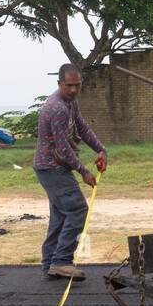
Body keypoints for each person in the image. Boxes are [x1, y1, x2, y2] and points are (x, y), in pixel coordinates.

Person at [34, 65, 107, 281]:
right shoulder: (56, 108)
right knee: (77, 210)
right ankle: (61, 261)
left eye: (77, 85)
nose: (74, 90)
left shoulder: (70, 102)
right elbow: (62, 148)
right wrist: (84, 171)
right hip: (52, 168)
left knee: (60, 215)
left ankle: (50, 264)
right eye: (69, 86)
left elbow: (82, 127)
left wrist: (101, 149)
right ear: (59, 84)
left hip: (55, 168)